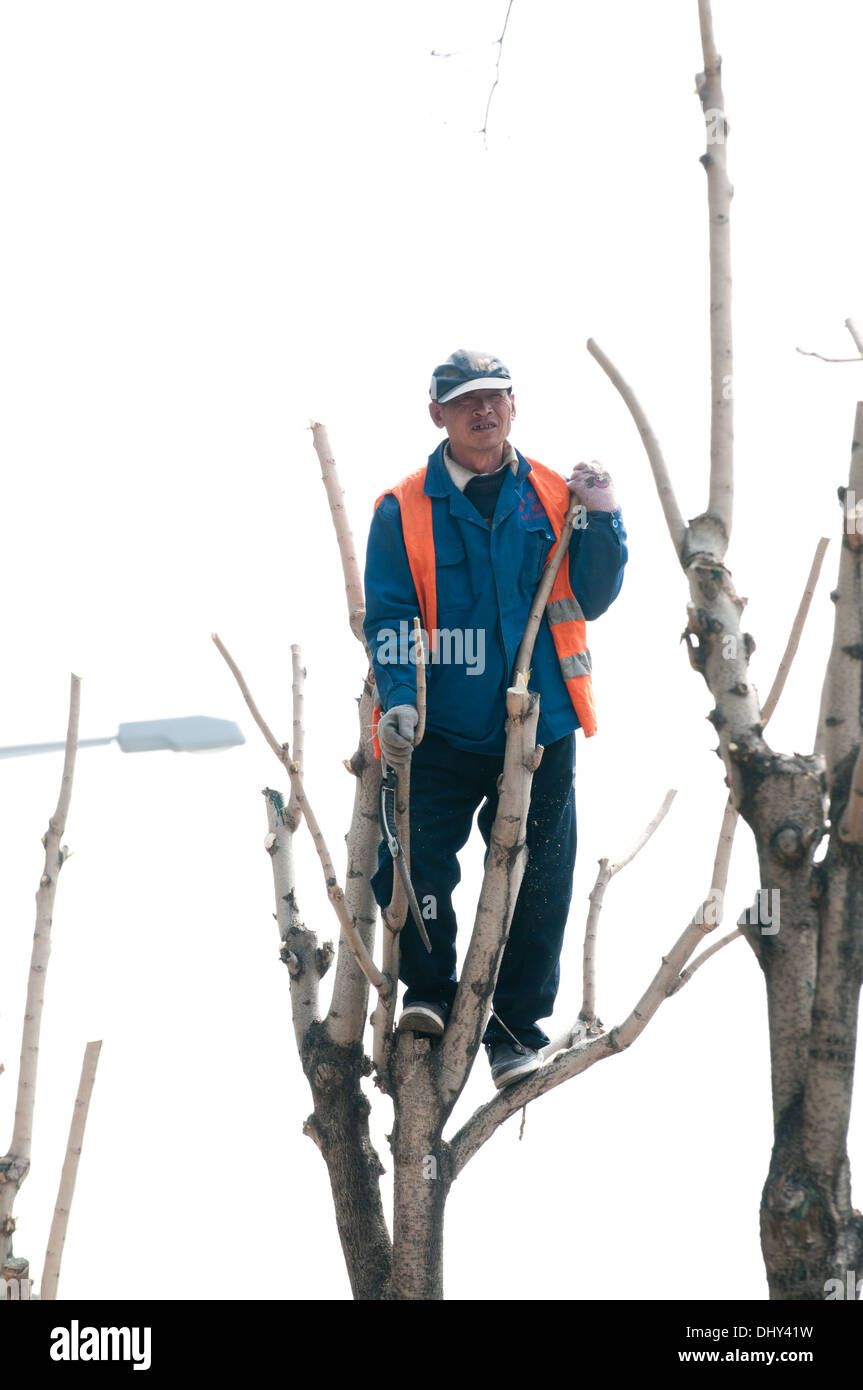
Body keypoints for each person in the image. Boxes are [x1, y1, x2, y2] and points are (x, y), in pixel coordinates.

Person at [363, 349, 627, 1088]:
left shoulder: (549, 493)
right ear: (437, 414)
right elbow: (388, 614)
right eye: (465, 401)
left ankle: (514, 1030)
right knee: (409, 862)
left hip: (538, 724)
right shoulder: (402, 508)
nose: (483, 411)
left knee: (540, 873)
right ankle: (427, 994)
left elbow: (594, 596)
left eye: (495, 398)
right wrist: (399, 699)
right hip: (441, 726)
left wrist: (602, 520)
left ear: (513, 404)